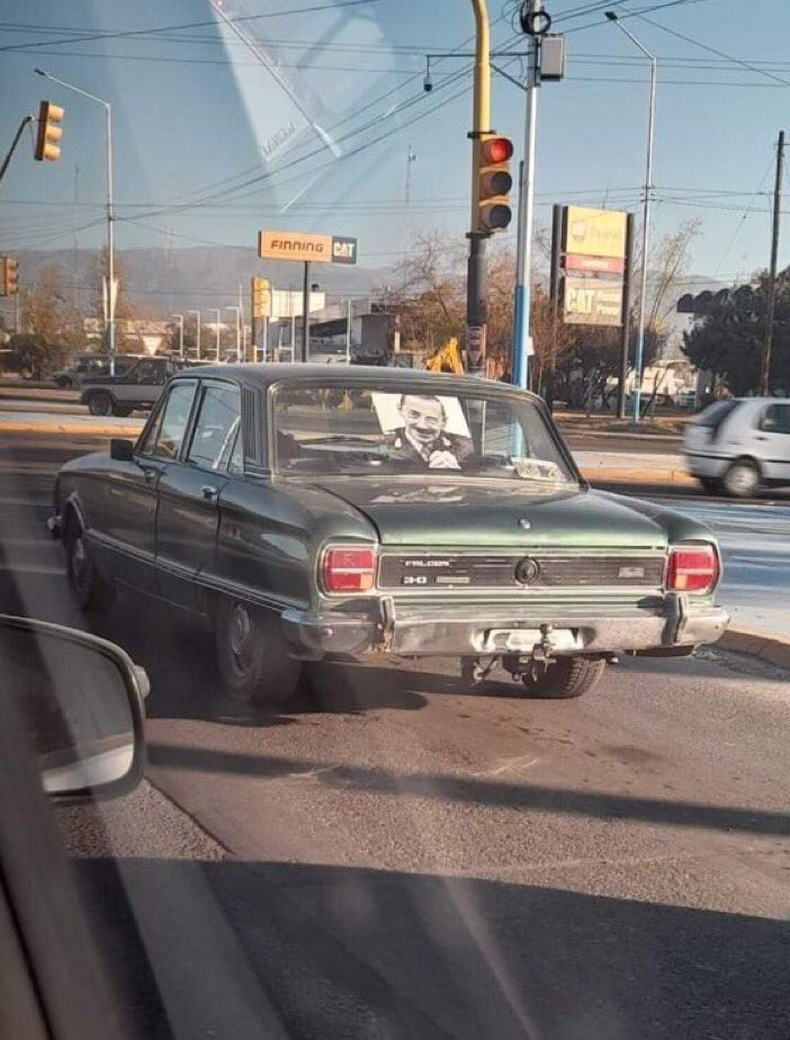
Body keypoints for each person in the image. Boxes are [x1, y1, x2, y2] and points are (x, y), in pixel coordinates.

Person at [386, 394, 473, 470]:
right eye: (413, 415)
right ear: (401, 411)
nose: (422, 425)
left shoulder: (467, 448)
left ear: (443, 422)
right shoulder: (383, 448)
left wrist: (455, 473)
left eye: (432, 419)